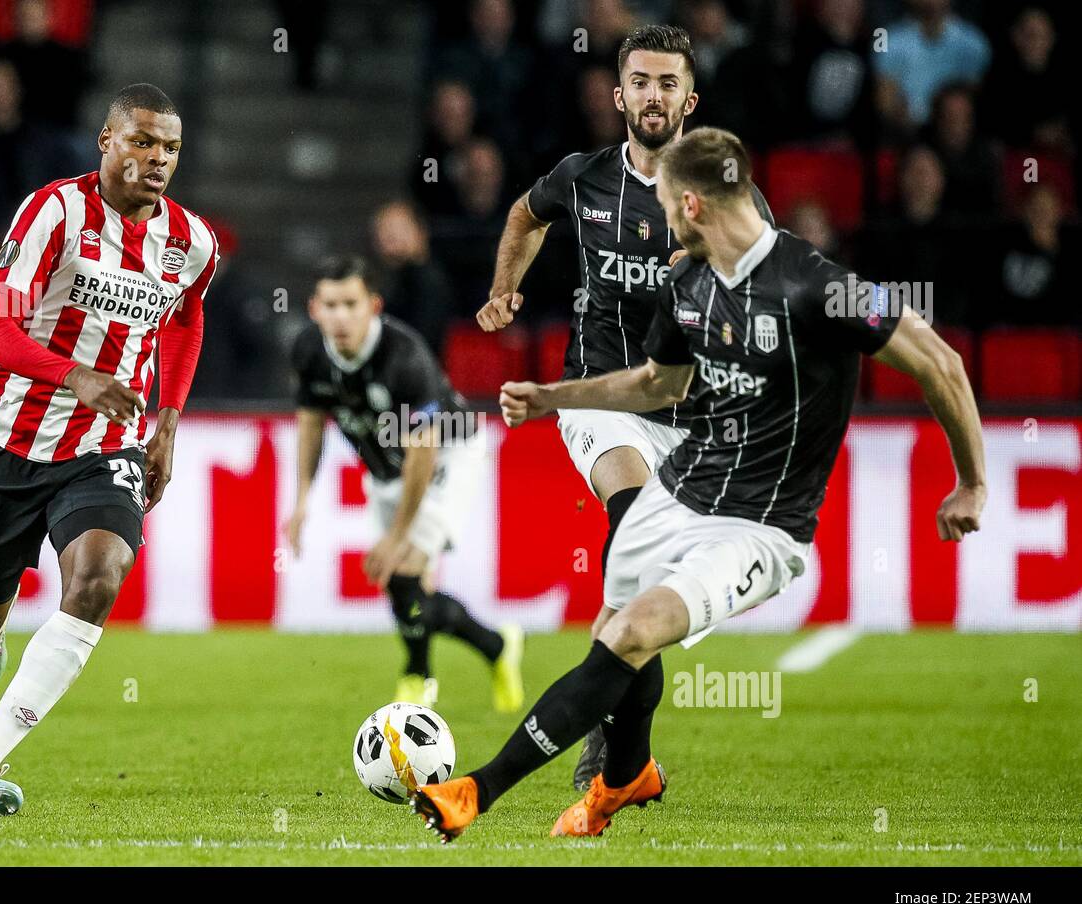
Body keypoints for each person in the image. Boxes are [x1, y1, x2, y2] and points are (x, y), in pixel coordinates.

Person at [412, 127, 986, 842]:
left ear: (691, 201)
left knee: (632, 631)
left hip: (760, 525)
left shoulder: (817, 284)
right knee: (615, 636)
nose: (661, 222)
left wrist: (971, 483)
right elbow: (658, 384)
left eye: (665, 204)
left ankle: (477, 792)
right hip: (679, 492)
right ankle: (629, 775)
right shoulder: (689, 283)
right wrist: (556, 397)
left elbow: (940, 364)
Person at [474, 24, 774, 790]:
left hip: (691, 412)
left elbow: (771, 295)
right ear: (618, 95)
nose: (652, 95)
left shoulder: (727, 194)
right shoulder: (583, 178)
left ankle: (625, 749)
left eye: (667, 83)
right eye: (640, 81)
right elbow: (523, 216)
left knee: (640, 590)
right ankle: (613, 749)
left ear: (690, 99)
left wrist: (711, 270)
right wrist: (504, 287)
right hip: (602, 398)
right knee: (631, 516)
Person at [0, 83, 218, 816]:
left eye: (171, 148)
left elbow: (186, 318)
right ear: (106, 141)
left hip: (106, 444)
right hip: (12, 437)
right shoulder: (53, 212)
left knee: (98, 578)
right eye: (143, 141)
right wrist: (77, 375)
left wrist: (170, 419)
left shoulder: (193, 242)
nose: (158, 159)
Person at [284, 255, 524, 711]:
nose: (340, 316)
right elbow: (311, 424)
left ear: (372, 305)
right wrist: (301, 500)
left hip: (447, 457)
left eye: (350, 304)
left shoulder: (404, 355)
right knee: (403, 588)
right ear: (315, 308)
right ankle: (495, 645)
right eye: (330, 305)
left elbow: (423, 451)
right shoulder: (308, 352)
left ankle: (417, 678)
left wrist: (396, 537)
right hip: (386, 472)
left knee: (404, 564)